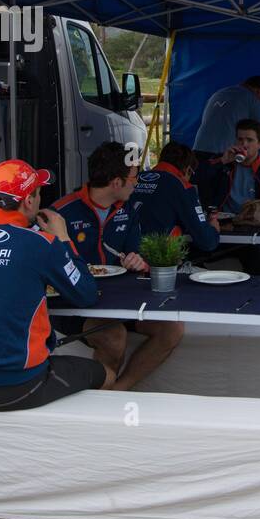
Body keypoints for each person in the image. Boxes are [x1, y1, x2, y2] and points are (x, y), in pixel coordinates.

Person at [0, 159, 115, 410]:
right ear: (29, 201)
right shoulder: (41, 244)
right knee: (106, 374)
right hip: (19, 385)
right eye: (38, 192)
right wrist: (63, 238)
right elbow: (86, 293)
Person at [52, 142, 183, 391]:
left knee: (172, 329)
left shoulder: (128, 209)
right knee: (113, 337)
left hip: (120, 300)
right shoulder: (62, 212)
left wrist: (138, 260)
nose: (138, 183)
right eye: (134, 178)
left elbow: (138, 252)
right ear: (116, 183)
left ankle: (116, 391)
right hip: (75, 304)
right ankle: (101, 403)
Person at [192, 76, 260, 209]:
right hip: (224, 156)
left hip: (198, 153)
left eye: (249, 140)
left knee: (205, 201)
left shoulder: (218, 94)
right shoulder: (253, 99)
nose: (245, 143)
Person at [205, 119, 260, 275]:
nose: (244, 144)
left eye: (249, 140)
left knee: (254, 261)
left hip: (251, 230)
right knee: (192, 251)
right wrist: (223, 161)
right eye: (240, 139)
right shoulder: (224, 161)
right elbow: (197, 178)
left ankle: (252, 297)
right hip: (221, 226)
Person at [132, 141, 220, 257]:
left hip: (126, 256)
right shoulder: (181, 186)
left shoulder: (134, 179)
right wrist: (213, 229)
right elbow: (206, 241)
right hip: (158, 261)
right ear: (188, 169)